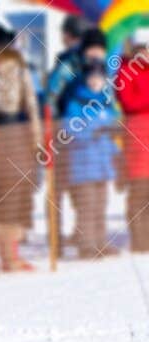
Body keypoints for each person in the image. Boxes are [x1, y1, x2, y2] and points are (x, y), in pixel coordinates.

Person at [0, 36, 40, 271]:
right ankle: (10, 256)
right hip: (15, 134)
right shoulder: (18, 67)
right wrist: (37, 141)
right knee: (14, 197)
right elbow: (31, 103)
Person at [60, 59, 119, 259]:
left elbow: (110, 131)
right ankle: (87, 246)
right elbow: (69, 131)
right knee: (87, 206)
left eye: (99, 78)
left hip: (102, 164)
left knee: (101, 205)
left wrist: (115, 153)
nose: (95, 82)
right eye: (92, 78)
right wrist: (93, 131)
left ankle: (101, 242)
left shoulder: (105, 102)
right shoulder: (76, 102)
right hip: (82, 165)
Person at [115, 28, 149, 253]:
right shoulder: (126, 71)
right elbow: (129, 102)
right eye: (143, 49)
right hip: (137, 137)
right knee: (139, 193)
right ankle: (139, 242)